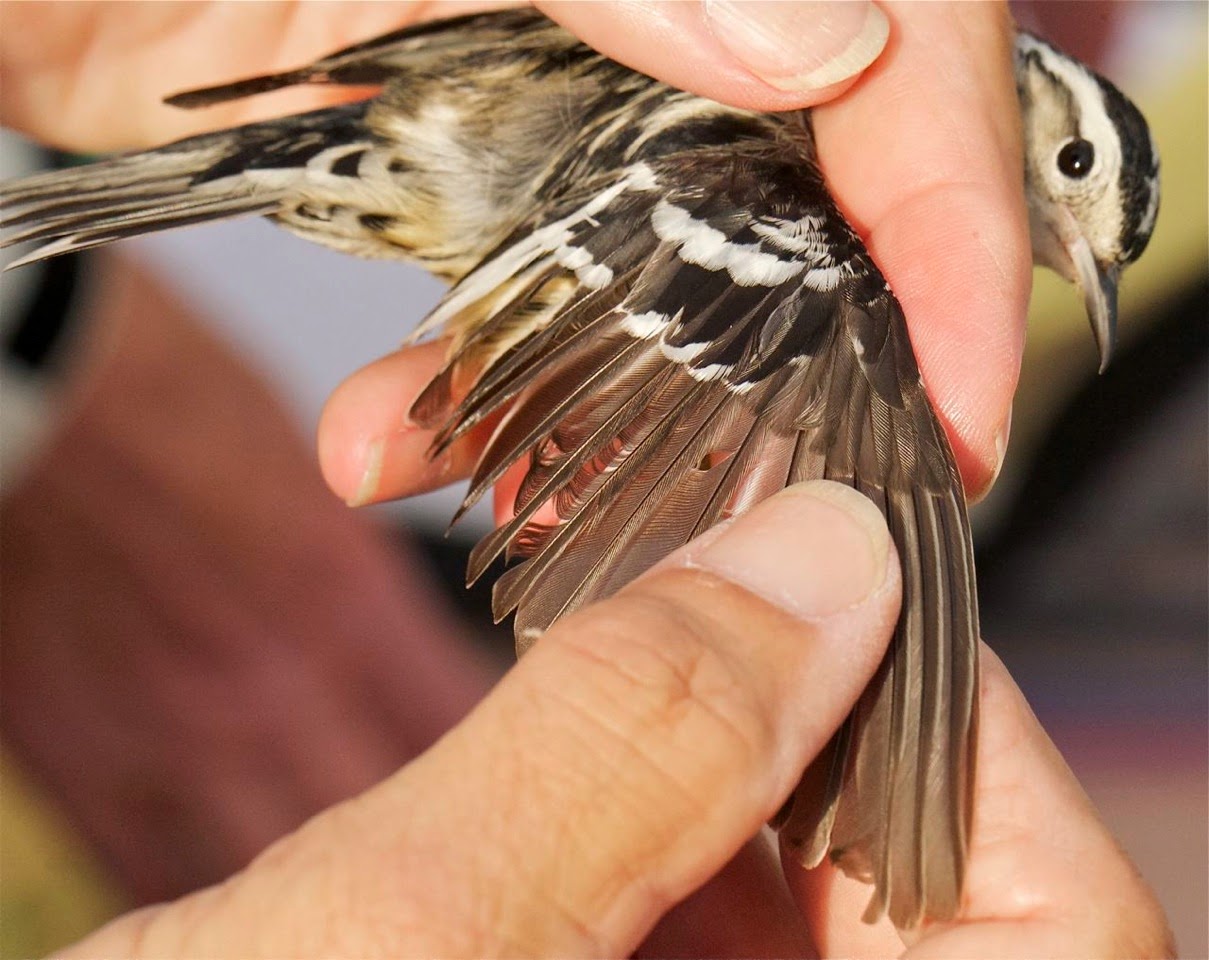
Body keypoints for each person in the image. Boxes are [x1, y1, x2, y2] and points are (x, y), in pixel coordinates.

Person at [0, 2, 1172, 955]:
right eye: (1076, 170)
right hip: (459, 147)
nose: (1069, 246)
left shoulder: (837, 155)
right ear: (1040, 93)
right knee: (857, 365)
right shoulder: (827, 150)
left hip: (468, 134)